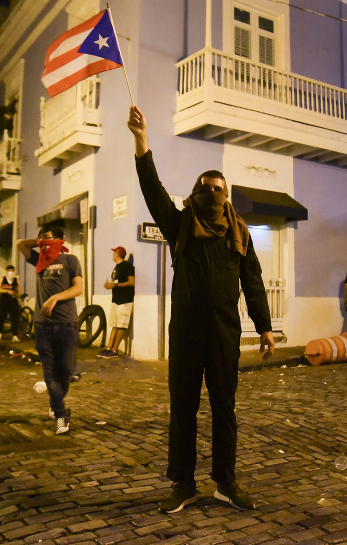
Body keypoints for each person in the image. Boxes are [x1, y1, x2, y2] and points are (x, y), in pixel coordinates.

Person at [129, 106, 274, 514]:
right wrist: (142, 141)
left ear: (226, 197)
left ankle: (225, 483)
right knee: (183, 409)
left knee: (224, 408)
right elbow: (152, 189)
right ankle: (183, 484)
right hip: (187, 332)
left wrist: (264, 327)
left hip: (225, 332)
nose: (212, 194)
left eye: (219, 189)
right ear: (195, 193)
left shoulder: (240, 233)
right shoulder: (179, 225)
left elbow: (254, 281)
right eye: (206, 188)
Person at [16, 225, 83, 436]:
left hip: (67, 324)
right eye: (41, 239)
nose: (43, 242)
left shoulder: (70, 260)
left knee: (66, 372)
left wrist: (55, 297)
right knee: (50, 374)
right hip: (43, 326)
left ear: (60, 240)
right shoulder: (39, 260)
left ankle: (55, 403)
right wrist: (41, 242)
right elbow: (20, 244)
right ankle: (61, 416)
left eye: (48, 238)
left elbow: (78, 288)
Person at [99, 246, 135, 359]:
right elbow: (117, 282)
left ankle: (115, 350)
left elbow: (131, 282)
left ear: (118, 254)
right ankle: (109, 348)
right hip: (116, 300)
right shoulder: (117, 267)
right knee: (114, 325)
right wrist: (110, 285)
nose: (113, 254)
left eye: (114, 252)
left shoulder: (127, 266)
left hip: (124, 301)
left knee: (121, 325)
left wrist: (115, 285)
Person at [0, 265, 21, 342]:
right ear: (6, 271)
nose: (10, 272)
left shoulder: (16, 280)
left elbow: (19, 292)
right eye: (9, 270)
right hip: (3, 301)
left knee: (14, 318)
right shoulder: (2, 279)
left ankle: (15, 335)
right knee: (2, 316)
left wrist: (15, 294)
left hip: (13, 301)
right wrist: (7, 291)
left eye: (12, 270)